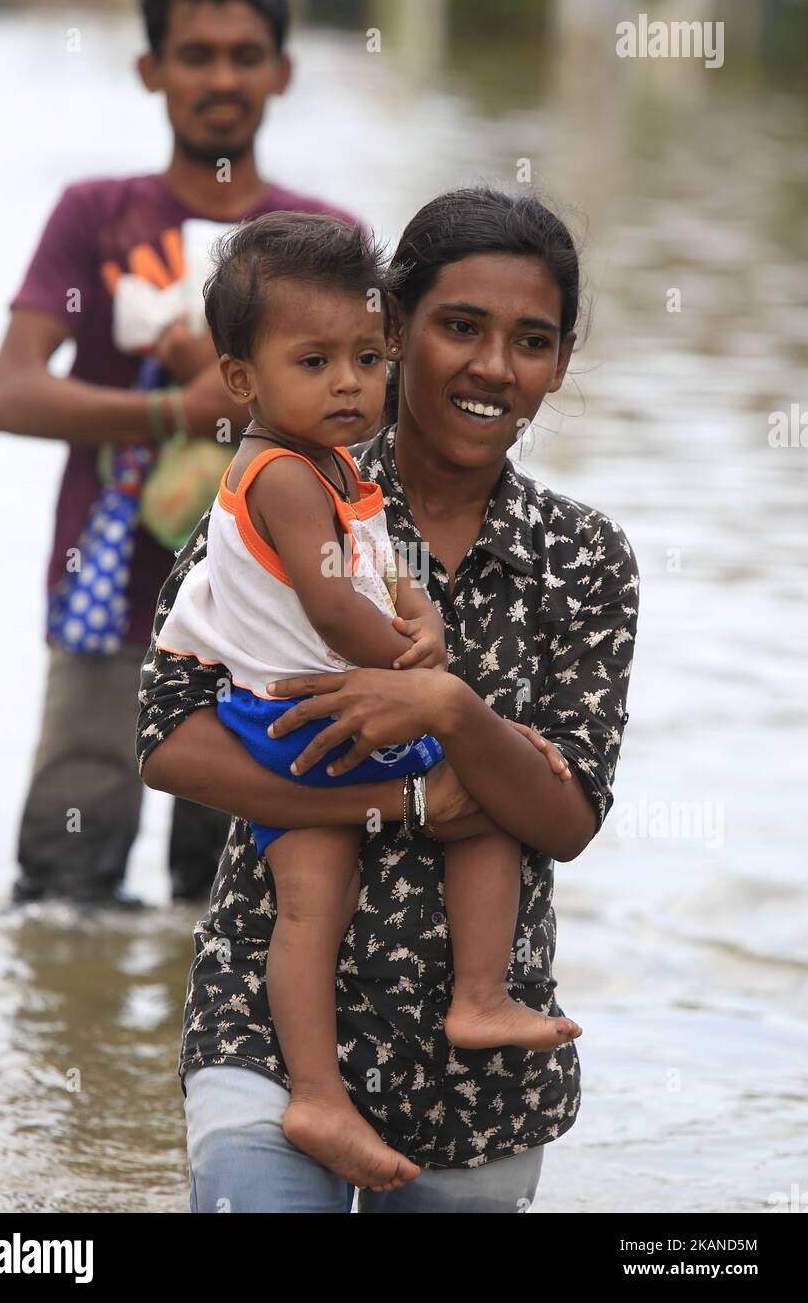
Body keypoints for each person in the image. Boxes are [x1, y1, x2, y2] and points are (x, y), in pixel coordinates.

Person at [137, 186, 640, 1213]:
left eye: (531, 341)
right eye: (459, 327)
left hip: (474, 1087)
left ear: (561, 361)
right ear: (396, 326)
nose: (493, 368)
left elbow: (568, 813)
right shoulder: (281, 485)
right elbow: (166, 742)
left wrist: (453, 710)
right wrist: (392, 804)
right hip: (268, 1038)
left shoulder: (582, 559)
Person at [0, 0, 361, 907]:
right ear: (151, 70)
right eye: (196, 55)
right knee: (68, 883)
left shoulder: (317, 243)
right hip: (105, 589)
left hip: (270, 605)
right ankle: (83, 1045)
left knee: (235, 893)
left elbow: (369, 420)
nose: (222, 78)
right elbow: (12, 393)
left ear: (282, 70)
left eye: (245, 55)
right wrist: (176, 410)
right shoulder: (97, 216)